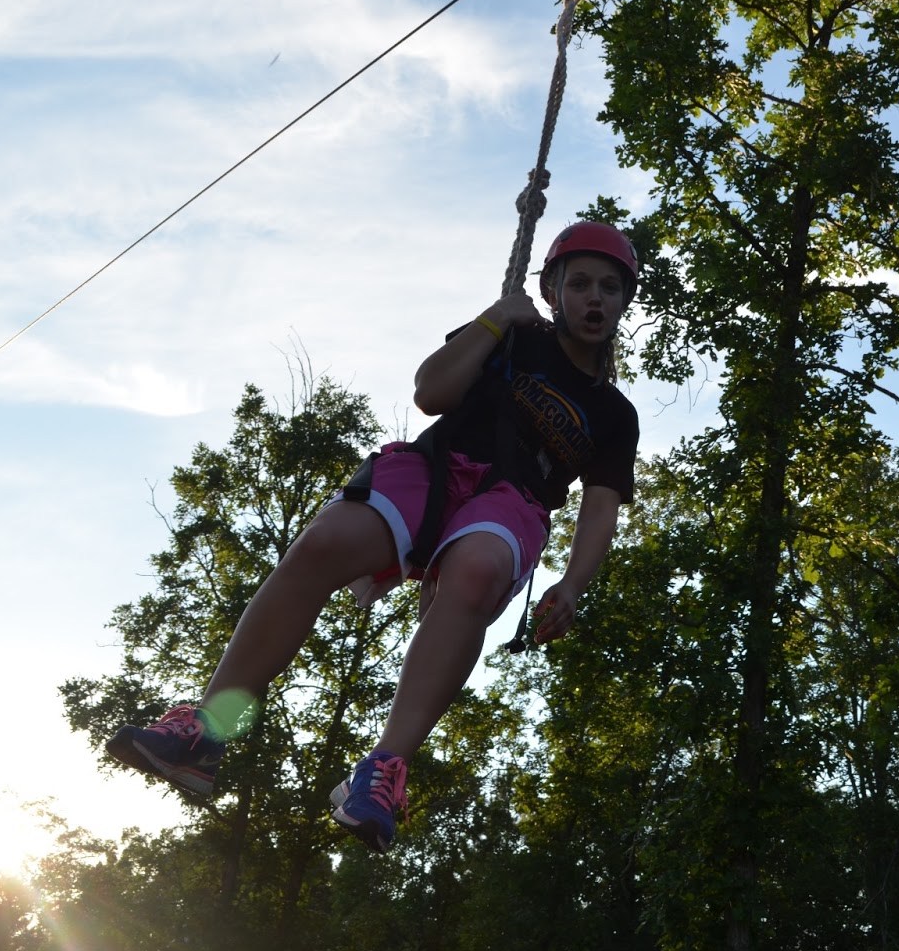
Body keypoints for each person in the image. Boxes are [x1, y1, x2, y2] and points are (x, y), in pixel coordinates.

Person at [105, 220, 641, 852]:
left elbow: (600, 511)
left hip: (512, 500)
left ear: (624, 302)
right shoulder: (510, 337)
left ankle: (383, 769)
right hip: (436, 469)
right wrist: (496, 319)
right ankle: (207, 731)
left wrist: (573, 584)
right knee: (324, 543)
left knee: (478, 571)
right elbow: (431, 392)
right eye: (579, 283)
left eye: (610, 287)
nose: (594, 298)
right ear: (551, 289)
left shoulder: (613, 415)